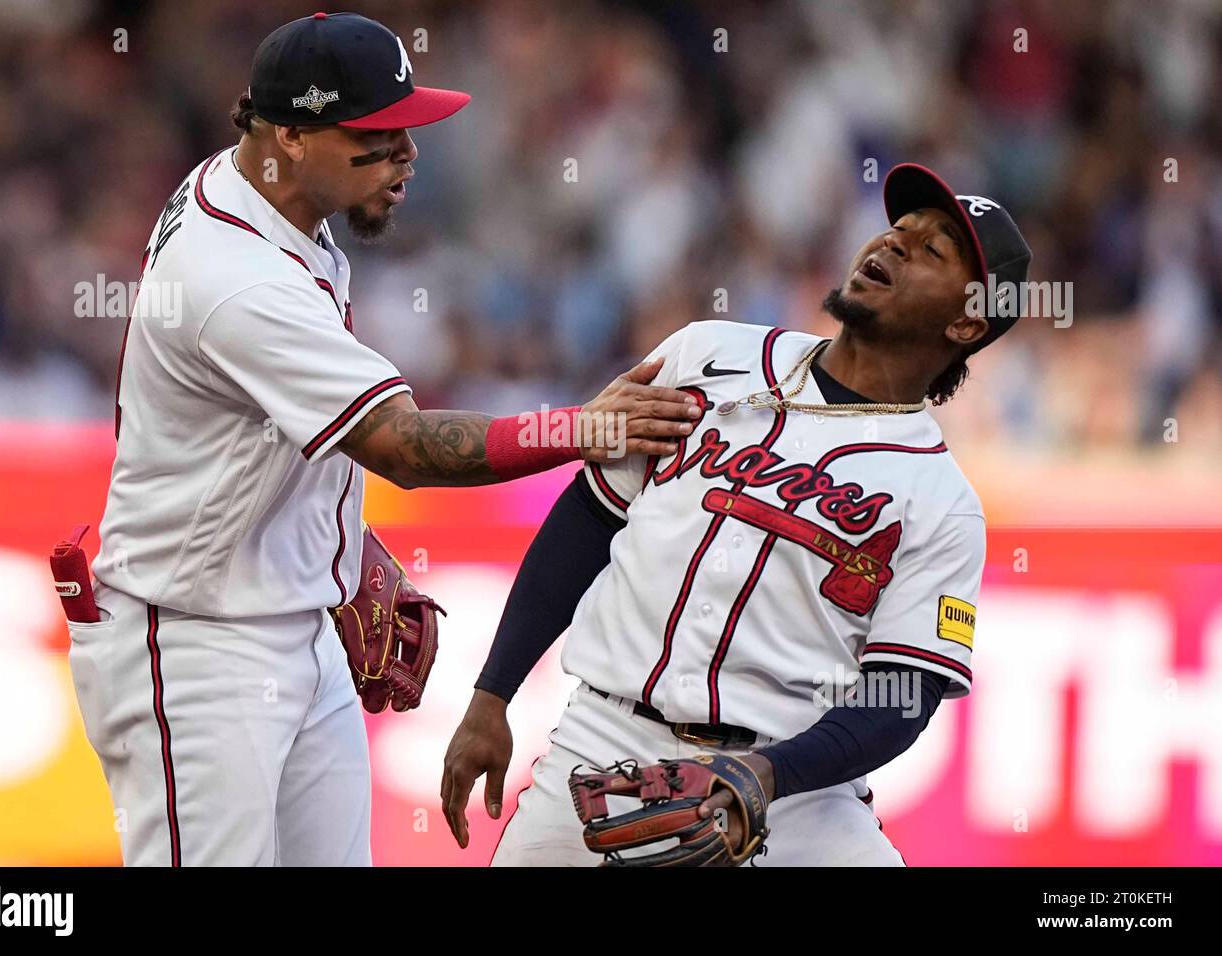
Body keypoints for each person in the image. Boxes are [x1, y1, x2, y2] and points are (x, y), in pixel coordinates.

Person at [65, 11, 699, 867]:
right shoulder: (236, 276)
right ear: (288, 132)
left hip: (282, 617)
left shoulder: (264, 187)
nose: (406, 154)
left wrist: (334, 541)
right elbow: (399, 445)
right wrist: (583, 428)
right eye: (377, 134)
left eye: (408, 128)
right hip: (191, 644)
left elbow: (261, 431)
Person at [440, 163, 1031, 865]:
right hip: (606, 747)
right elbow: (590, 519)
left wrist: (774, 773)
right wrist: (492, 693)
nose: (896, 243)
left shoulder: (940, 501)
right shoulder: (707, 354)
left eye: (933, 251)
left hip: (795, 794)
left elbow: (905, 693)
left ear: (968, 320)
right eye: (898, 229)